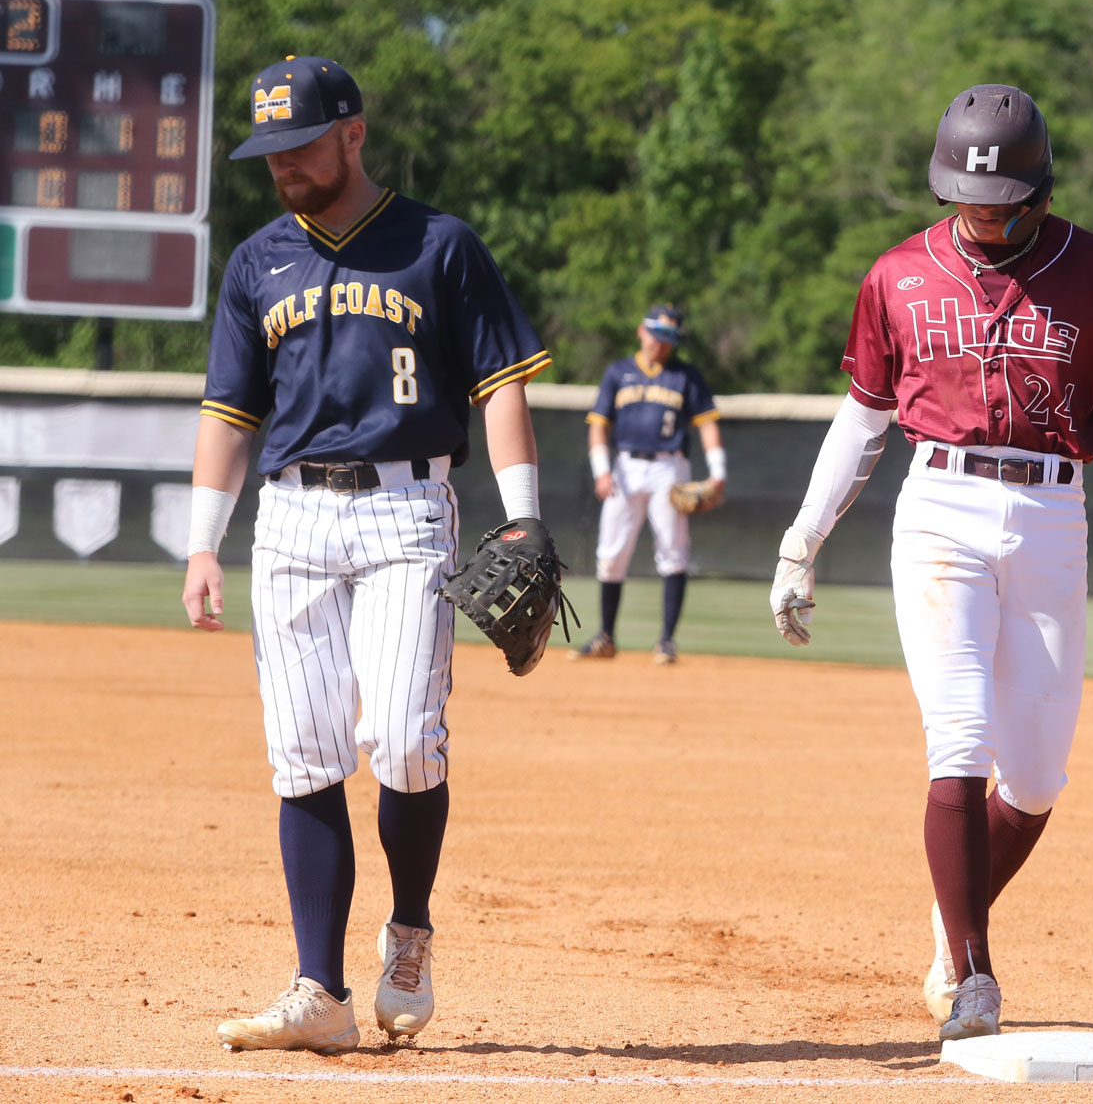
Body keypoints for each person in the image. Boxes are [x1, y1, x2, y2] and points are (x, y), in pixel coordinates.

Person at [767, 84, 1093, 1041]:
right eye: (966, 200)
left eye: (1001, 203)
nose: (982, 218)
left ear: (1040, 192)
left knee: (1034, 780)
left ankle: (952, 915)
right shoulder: (899, 275)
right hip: (941, 504)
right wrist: (801, 541)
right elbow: (863, 420)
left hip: (1051, 508)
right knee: (958, 735)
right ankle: (974, 973)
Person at [181, 55, 555, 1053]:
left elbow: (500, 386)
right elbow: (229, 411)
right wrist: (199, 544)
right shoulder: (258, 261)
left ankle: (410, 930)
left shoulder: (439, 245)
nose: (284, 168)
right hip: (293, 521)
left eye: (300, 145)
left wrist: (522, 518)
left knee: (402, 738)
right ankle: (320, 991)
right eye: (269, 154)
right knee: (302, 752)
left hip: (405, 513)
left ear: (353, 132)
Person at [571, 304, 726, 665]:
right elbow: (598, 424)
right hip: (625, 468)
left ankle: (666, 642)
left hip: (669, 470)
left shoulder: (685, 375)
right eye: (659, 335)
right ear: (642, 331)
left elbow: (706, 423)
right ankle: (606, 637)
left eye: (670, 338)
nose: (663, 344)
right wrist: (601, 470)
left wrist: (717, 472)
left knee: (673, 552)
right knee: (610, 556)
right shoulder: (618, 372)